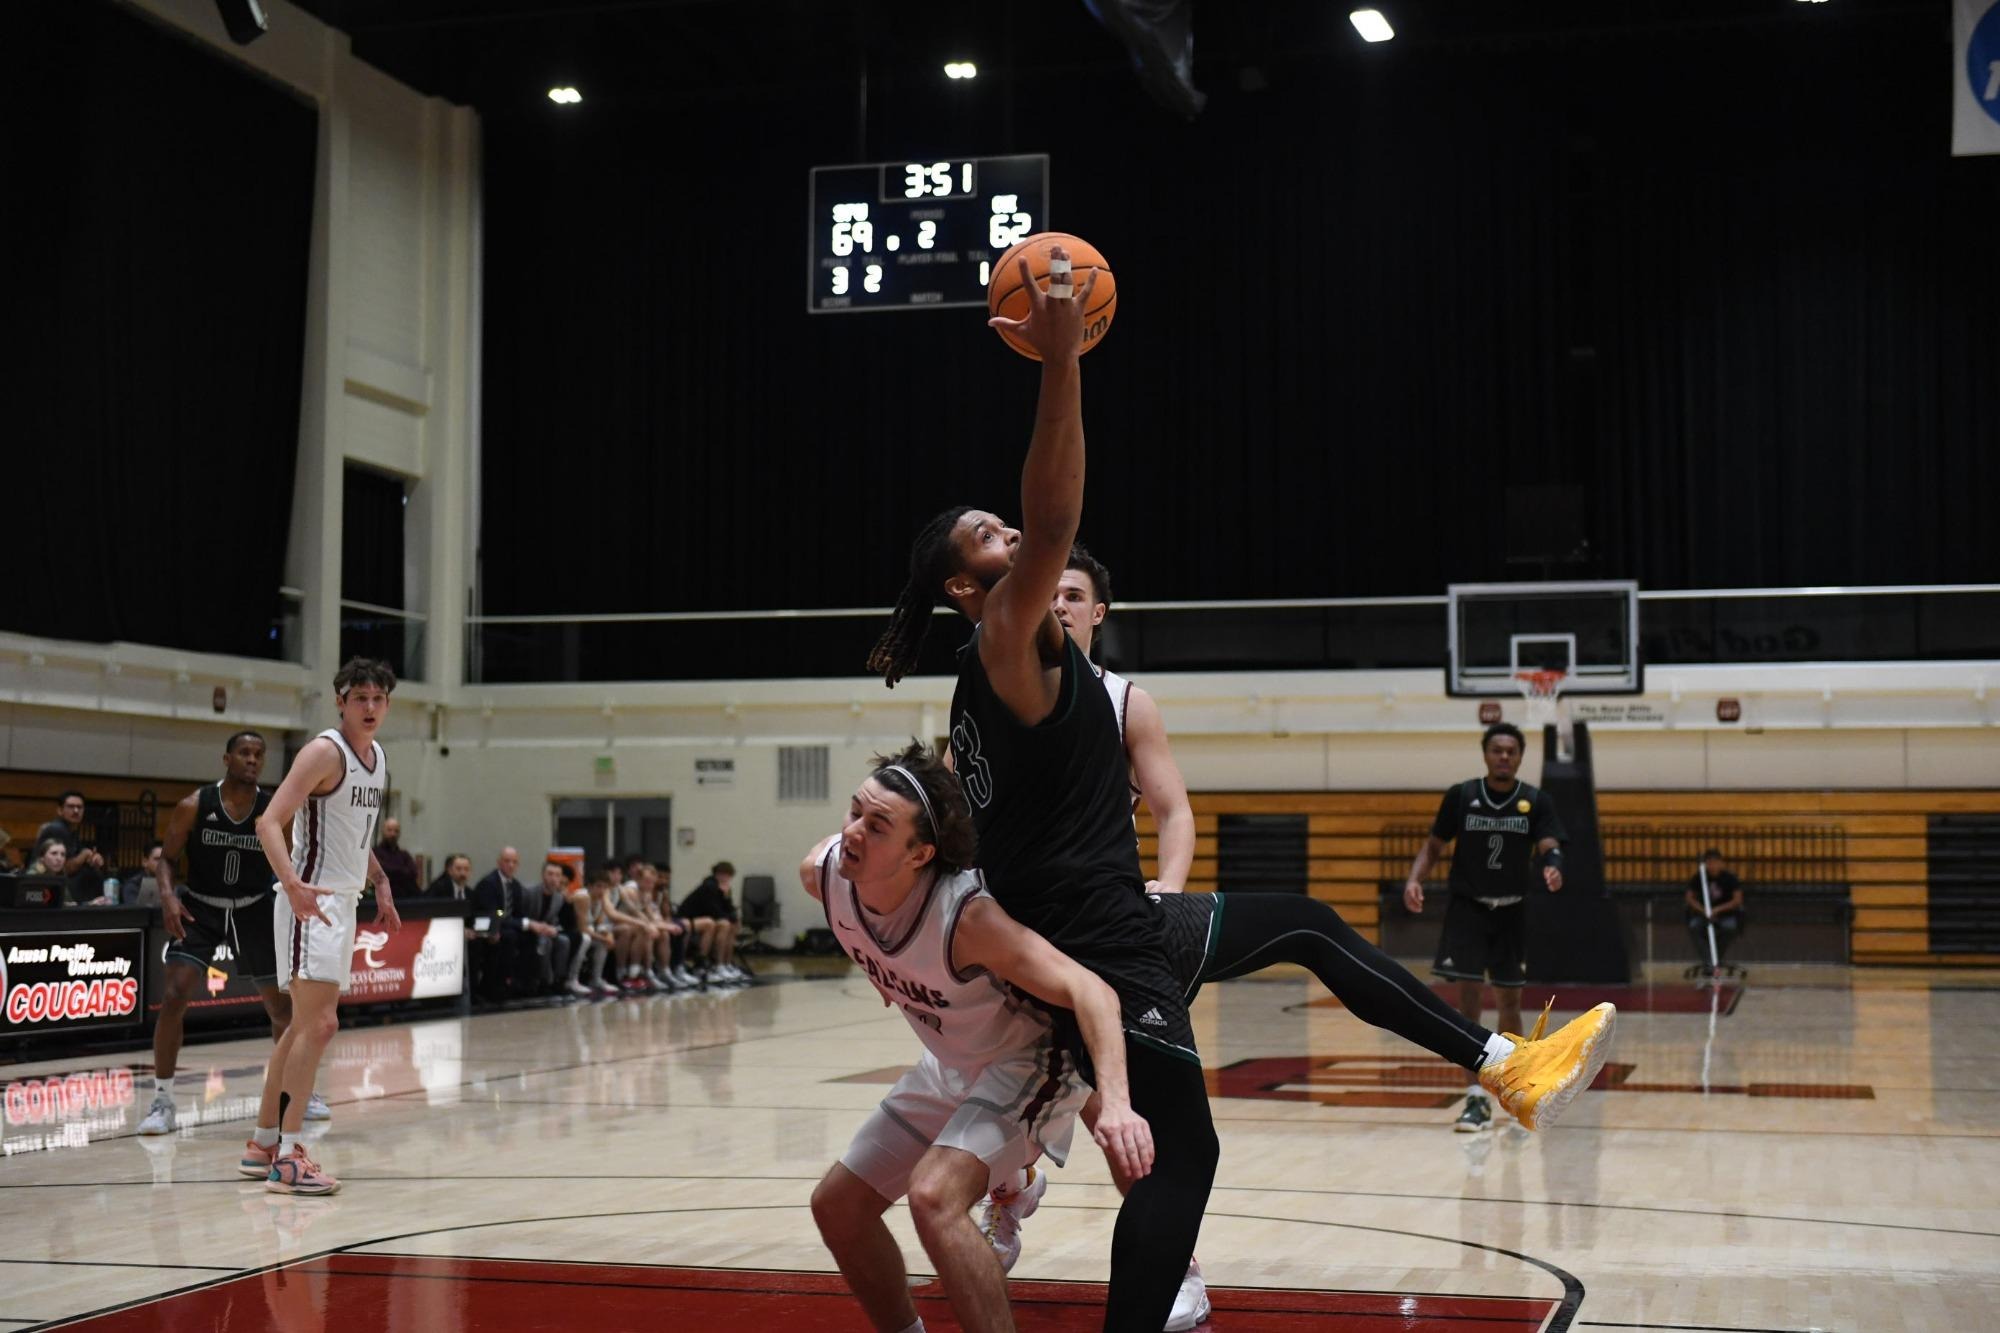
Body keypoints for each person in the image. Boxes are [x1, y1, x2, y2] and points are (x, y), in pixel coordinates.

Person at [998, 552, 1617, 1325]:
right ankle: (1009, 1192)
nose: (1057, 604)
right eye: (1045, 591)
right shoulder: (1008, 691)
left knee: (1302, 932)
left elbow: (1174, 812)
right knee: (1153, 1144)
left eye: (1074, 594)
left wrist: (1170, 883)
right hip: (1070, 941)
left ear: (1099, 613)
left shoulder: (1124, 702)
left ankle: (1499, 1061)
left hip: (1124, 923)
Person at [865, 247, 1209, 1332]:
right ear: (971, 589)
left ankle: (1031, 1193)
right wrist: (1060, 363)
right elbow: (1054, 518)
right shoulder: (1005, 636)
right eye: (992, 542)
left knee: (1279, 942)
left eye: (1006, 531)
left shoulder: (985, 680)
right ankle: (1141, 1279)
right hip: (1081, 931)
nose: (1016, 544)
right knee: (1172, 1133)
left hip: (1040, 938)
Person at [805, 746, 1152, 1333]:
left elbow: (1093, 992)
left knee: (935, 1198)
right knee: (837, 1208)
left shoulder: (966, 918)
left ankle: (1013, 1181)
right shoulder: (825, 873)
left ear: (920, 854)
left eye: (877, 825)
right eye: (855, 812)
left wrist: (1116, 1104)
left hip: (1034, 1059)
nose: (853, 832)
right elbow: (854, 917)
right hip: (953, 1060)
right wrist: (881, 973)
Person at [250, 657, 401, 1196]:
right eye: (359, 697)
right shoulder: (323, 751)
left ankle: (264, 1141)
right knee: (320, 1025)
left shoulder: (378, 758)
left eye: (378, 699)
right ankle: (289, 1158)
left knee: (300, 1028)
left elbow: (355, 837)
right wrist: (291, 884)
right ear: (340, 700)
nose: (369, 707)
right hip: (308, 902)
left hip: (343, 902)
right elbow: (268, 820)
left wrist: (379, 880)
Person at [138, 732, 328, 1138]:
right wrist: (169, 898)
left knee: (282, 1011)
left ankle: (298, 1094)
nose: (252, 760)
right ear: (227, 758)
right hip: (200, 907)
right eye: (244, 752)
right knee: (174, 996)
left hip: (255, 909)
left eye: (259, 755)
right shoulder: (194, 805)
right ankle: (163, 1101)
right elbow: (167, 861)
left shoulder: (274, 810)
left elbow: (297, 857)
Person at [1403, 722, 1569, 1132]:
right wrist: (1414, 878)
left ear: (1520, 756)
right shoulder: (1462, 796)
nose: (1504, 757)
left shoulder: (1535, 800)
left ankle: (1512, 1089)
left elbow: (1551, 843)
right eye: (1497, 750)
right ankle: (1475, 1097)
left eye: (1511, 751)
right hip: (1468, 911)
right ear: (1486, 753)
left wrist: (1554, 865)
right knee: (1469, 1001)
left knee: (1510, 1002)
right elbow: (1434, 845)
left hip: (1511, 912)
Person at [472, 848, 535, 1000]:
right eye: (507, 861)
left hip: (506, 922)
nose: (511, 865)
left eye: (514, 862)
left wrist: (524, 922)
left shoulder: (515, 886)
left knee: (531, 937)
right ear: (499, 862)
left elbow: (518, 912)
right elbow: (495, 911)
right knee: (510, 937)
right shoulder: (489, 883)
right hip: (488, 923)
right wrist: (507, 916)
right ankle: (496, 986)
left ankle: (523, 984)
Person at [679, 862, 748, 984]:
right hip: (690, 917)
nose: (727, 879)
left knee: (731, 925)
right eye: (724, 875)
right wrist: (730, 915)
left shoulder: (723, 888)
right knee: (725, 924)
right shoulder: (709, 886)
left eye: (729, 876)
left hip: (707, 917)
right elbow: (713, 910)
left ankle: (726, 963)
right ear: (718, 874)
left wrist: (734, 916)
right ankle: (716, 964)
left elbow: (728, 909)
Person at [1686, 848, 1746, 971]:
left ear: (1721, 863)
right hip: (1703, 915)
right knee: (1694, 927)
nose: (1712, 865)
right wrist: (1703, 910)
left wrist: (1718, 910)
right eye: (1709, 862)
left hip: (1726, 915)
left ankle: (1716, 958)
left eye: (1715, 862)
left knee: (1729, 928)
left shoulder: (1730, 878)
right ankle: (1708, 961)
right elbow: (1689, 898)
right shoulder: (1699, 877)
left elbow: (1737, 900)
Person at [36, 790, 106, 890]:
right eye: (71, 807)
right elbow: (63, 868)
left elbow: (80, 855)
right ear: (60, 810)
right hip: (45, 885)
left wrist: (93, 858)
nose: (76, 811)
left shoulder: (71, 829)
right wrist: (85, 854)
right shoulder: (57, 829)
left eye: (79, 807)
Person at [372, 817, 421, 902]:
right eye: (389, 830)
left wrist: (392, 871)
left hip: (405, 900)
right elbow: (381, 873)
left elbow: (413, 873)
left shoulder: (404, 855)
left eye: (396, 831)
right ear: (383, 831)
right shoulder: (375, 853)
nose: (393, 834)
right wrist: (402, 871)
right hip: (381, 900)